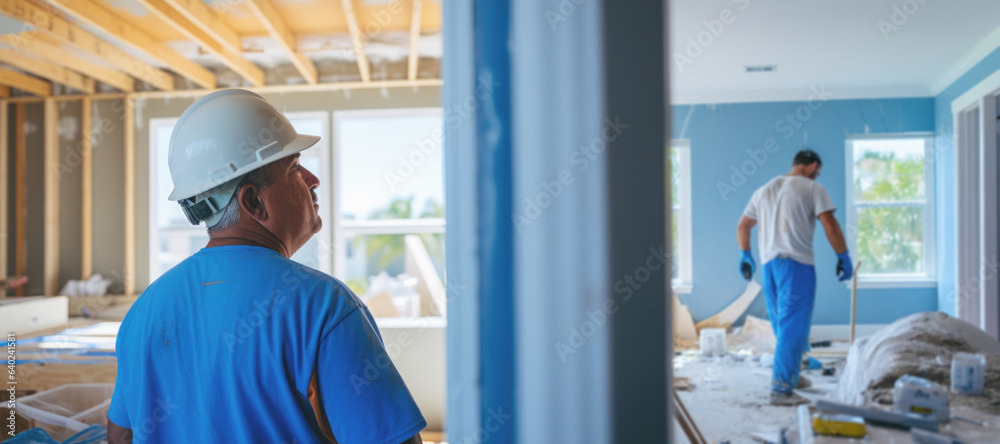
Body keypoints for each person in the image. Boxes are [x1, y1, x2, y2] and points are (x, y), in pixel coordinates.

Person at [108, 89, 425, 443]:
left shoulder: (144, 312)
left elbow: (120, 435)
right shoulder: (324, 307)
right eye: (293, 168)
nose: (312, 180)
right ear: (254, 201)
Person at [736, 149, 853, 406]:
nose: (817, 176)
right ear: (812, 166)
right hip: (796, 264)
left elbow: (743, 225)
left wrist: (746, 255)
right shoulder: (813, 188)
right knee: (794, 325)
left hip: (769, 266)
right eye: (818, 172)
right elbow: (830, 225)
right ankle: (780, 390)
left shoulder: (763, 189)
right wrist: (843, 256)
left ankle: (793, 374)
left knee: (783, 323)